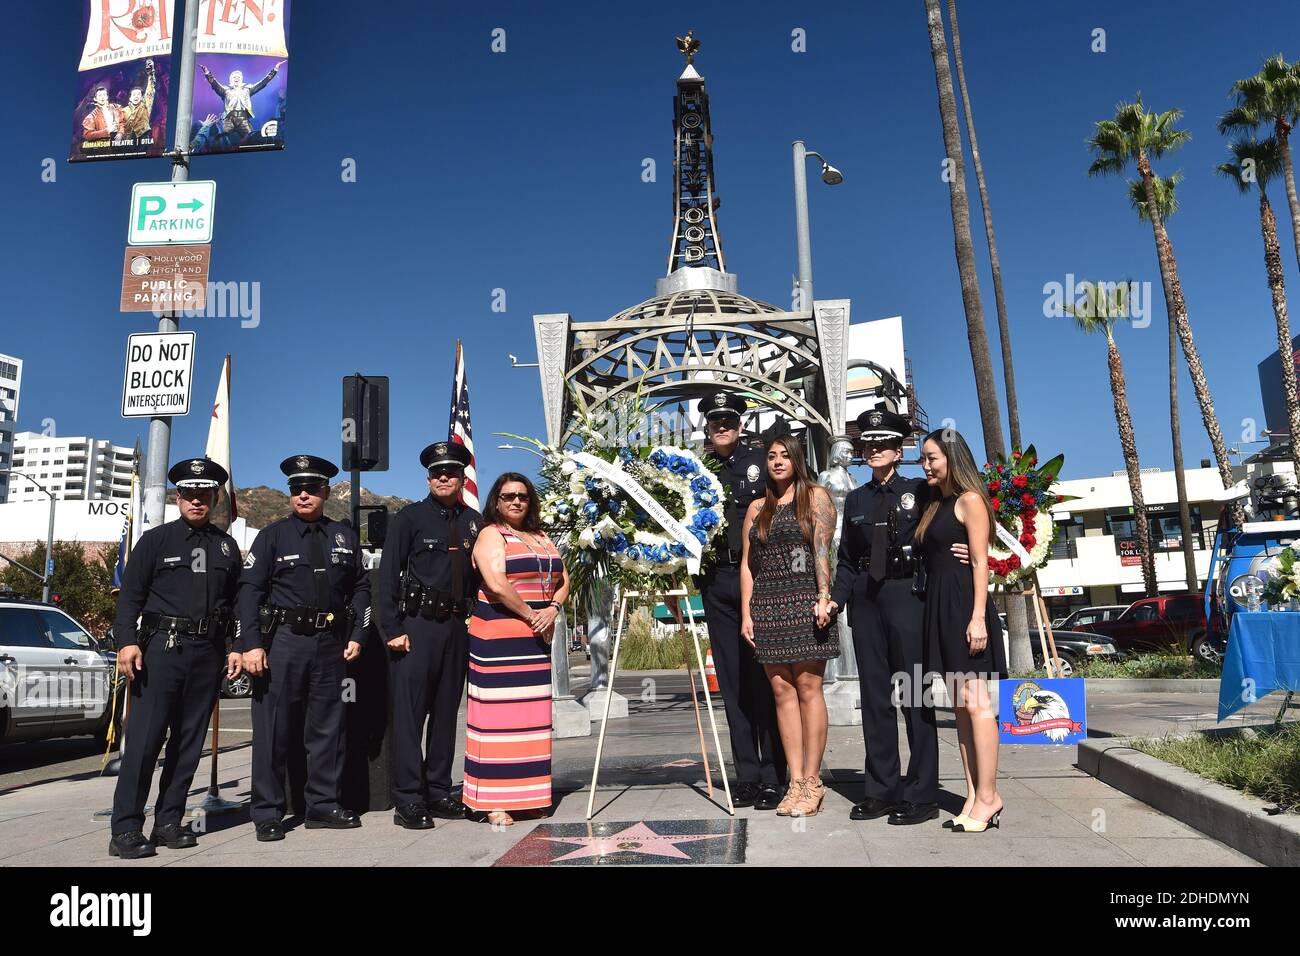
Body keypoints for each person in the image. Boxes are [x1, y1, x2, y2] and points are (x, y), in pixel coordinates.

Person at [108, 457, 243, 859]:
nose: (197, 501)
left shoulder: (227, 546)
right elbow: (130, 595)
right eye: (189, 494)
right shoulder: (155, 541)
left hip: (207, 654)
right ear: (178, 496)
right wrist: (126, 642)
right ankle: (127, 828)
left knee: (188, 744)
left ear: (215, 497)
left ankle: (168, 822)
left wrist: (235, 647)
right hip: (160, 653)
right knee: (145, 744)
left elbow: (237, 605)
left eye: (204, 494)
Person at [237, 455, 369, 842]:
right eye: (296, 489)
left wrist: (358, 635)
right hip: (283, 643)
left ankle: (322, 805)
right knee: (273, 730)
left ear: (326, 492)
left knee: (328, 729)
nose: (304, 495)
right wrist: (250, 644)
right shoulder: (272, 536)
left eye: (312, 489)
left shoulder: (343, 536)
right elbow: (249, 592)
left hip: (330, 643)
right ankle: (267, 811)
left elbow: (361, 587)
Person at [828, 409, 948, 825]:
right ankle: (881, 789)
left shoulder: (921, 489)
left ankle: (922, 794)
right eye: (868, 443)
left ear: (899, 450)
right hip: (866, 600)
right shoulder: (857, 499)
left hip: (907, 597)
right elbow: (846, 561)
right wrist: (834, 600)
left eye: (883, 443)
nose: (874, 449)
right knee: (876, 699)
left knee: (915, 696)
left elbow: (947, 529)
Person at [379, 440, 481, 829]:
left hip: (458, 628)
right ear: (428, 478)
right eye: (437, 472)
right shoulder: (409, 518)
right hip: (417, 628)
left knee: (445, 715)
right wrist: (392, 628)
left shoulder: (475, 523)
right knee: (410, 716)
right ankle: (408, 799)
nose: (444, 477)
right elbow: (389, 574)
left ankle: (438, 791)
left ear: (461, 478)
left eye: (451, 472)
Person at [694, 390, 786, 811]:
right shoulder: (695, 468)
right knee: (730, 684)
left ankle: (774, 775)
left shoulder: (760, 462)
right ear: (707, 427)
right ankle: (747, 775)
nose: (722, 426)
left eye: (729, 419)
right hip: (716, 583)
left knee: (764, 679)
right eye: (715, 421)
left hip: (757, 580)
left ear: (740, 423)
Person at [740, 434, 839, 817]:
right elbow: (748, 566)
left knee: (808, 688)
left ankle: (813, 781)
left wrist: (824, 595)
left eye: (785, 455)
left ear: (798, 459)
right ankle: (794, 781)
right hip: (767, 605)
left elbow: (822, 550)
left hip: (805, 600)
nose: (777, 461)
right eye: (771, 456)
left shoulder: (816, 496)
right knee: (781, 692)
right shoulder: (757, 507)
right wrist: (748, 613)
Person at [915, 428, 1007, 833]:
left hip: (966, 609)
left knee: (977, 704)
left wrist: (977, 617)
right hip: (940, 609)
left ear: (952, 457)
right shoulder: (937, 504)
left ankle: (990, 795)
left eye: (932, 457)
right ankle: (973, 795)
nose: (926, 464)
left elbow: (980, 563)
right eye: (923, 458)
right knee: (959, 706)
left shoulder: (970, 501)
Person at [463, 473, 568, 826]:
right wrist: (531, 614)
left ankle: (529, 797)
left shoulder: (540, 536)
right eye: (508, 496)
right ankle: (493, 802)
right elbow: (496, 582)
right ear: (496, 500)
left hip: (536, 634)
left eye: (522, 496)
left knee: (531, 719)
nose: (516, 501)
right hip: (500, 633)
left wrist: (552, 609)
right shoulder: (491, 534)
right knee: (497, 719)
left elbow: (563, 579)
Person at [200, 60, 285, 139]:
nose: (236, 78)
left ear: (241, 79)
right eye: (234, 77)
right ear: (230, 79)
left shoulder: (247, 89)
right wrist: (207, 73)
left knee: (251, 138)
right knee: (224, 139)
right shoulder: (225, 90)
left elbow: (263, 82)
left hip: (243, 118)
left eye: (238, 77)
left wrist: (275, 70)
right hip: (229, 118)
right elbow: (215, 84)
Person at [120, 58, 156, 139]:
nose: (136, 96)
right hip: (127, 144)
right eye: (134, 94)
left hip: (142, 140)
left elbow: (150, 91)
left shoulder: (145, 106)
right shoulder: (124, 111)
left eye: (138, 94)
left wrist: (151, 74)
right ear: (130, 98)